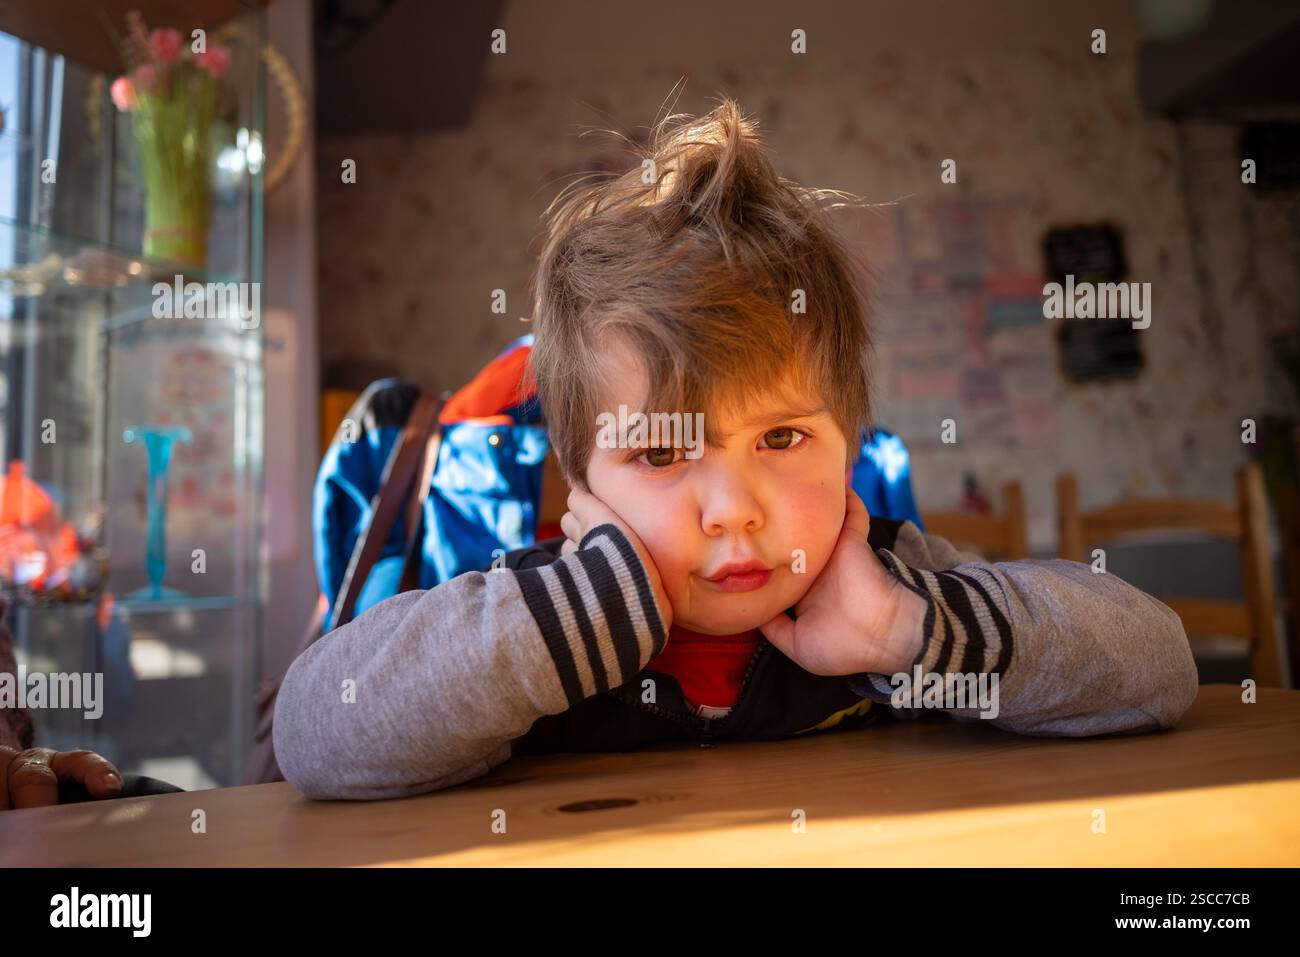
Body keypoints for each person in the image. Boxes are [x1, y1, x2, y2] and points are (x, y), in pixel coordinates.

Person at [272, 96, 1198, 802]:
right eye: (664, 454)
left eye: (785, 436)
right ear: (580, 478)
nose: (734, 509)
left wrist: (910, 633)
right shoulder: (529, 609)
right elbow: (310, 735)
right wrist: (584, 616)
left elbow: (1160, 665)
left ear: (851, 444)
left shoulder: (885, 585)